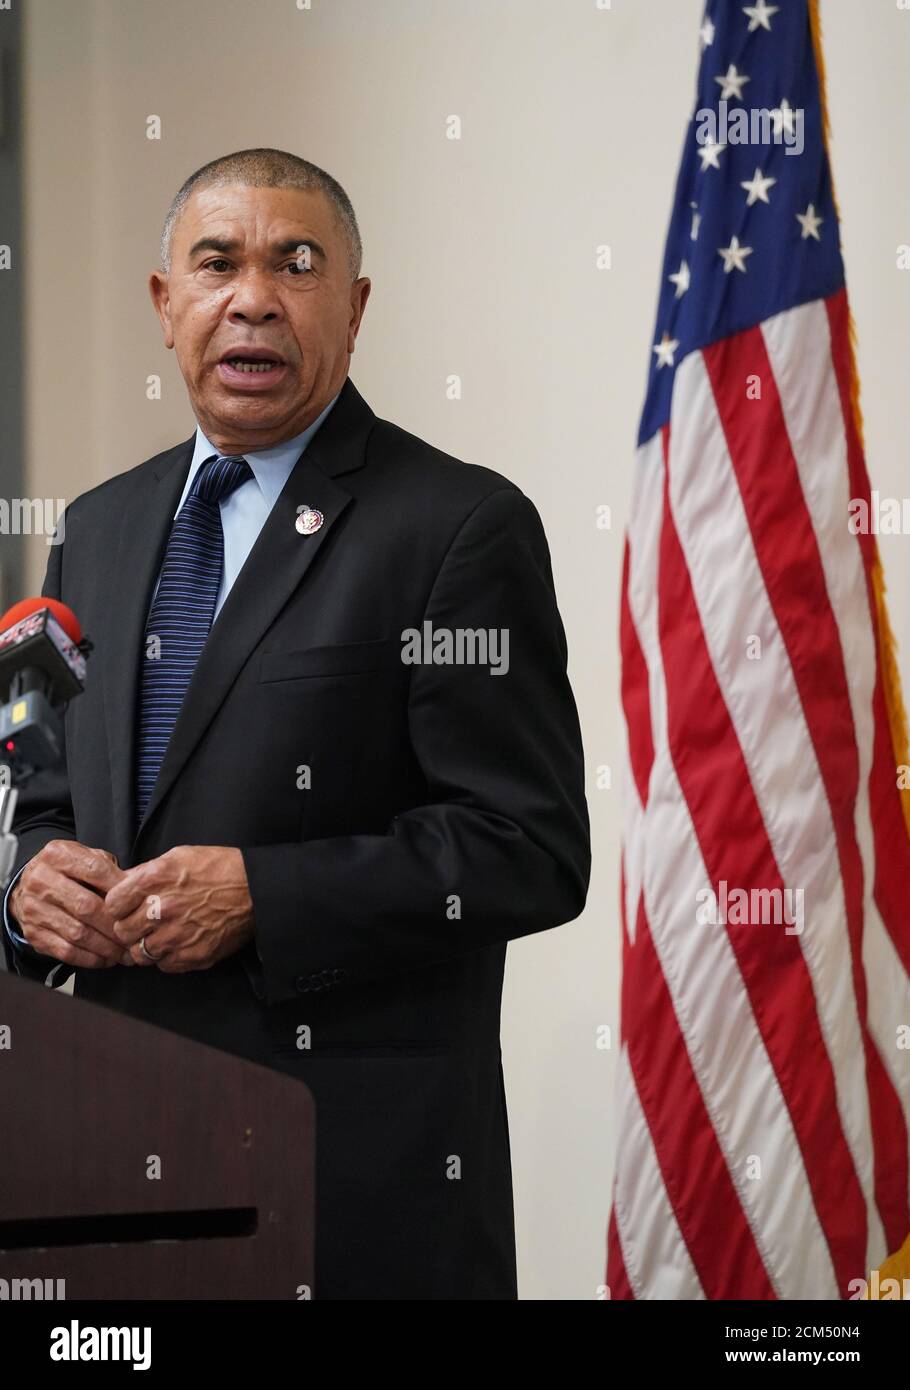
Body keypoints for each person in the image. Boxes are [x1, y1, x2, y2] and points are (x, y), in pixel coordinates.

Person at [2, 148, 590, 1299]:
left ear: (355, 307)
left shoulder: (459, 526)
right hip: (114, 1180)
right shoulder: (98, 527)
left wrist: (266, 897)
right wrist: (29, 891)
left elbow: (529, 848)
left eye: (298, 263)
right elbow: (48, 801)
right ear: (165, 304)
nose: (254, 296)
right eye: (216, 263)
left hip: (353, 1194)